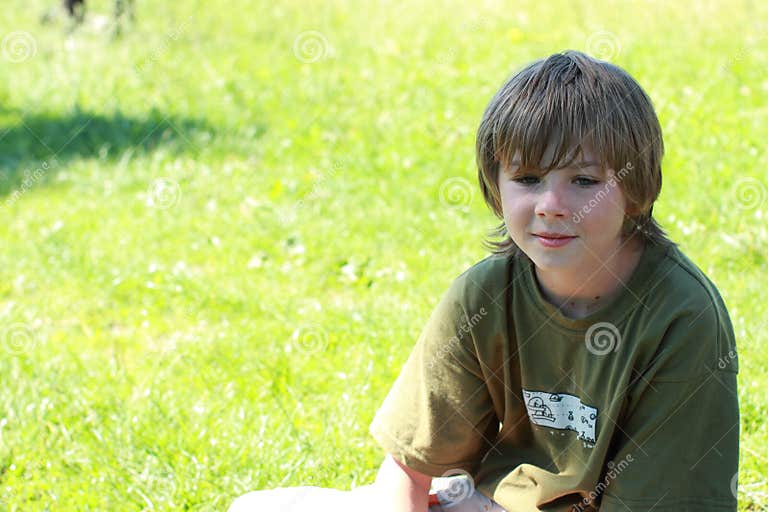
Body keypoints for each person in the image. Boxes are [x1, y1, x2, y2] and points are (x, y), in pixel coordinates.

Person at [228, 49, 739, 512]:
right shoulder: (484, 295)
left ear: (636, 188)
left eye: (584, 181)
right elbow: (410, 469)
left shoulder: (681, 317)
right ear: (495, 185)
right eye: (528, 179)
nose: (550, 207)